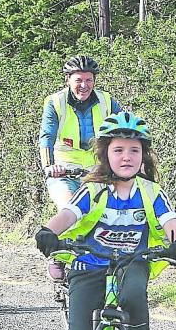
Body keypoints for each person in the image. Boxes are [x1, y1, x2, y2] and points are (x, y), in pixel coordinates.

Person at [34, 111, 176, 330]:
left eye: (134, 150)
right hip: (89, 264)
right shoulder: (94, 189)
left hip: (131, 262)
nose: (126, 157)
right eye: (118, 150)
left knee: (134, 293)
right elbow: (68, 214)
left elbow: (170, 222)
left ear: (144, 156)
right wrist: (49, 232)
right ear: (105, 154)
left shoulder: (150, 191)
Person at [39, 55, 122, 280]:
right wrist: (49, 166)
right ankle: (57, 256)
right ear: (68, 80)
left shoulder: (107, 101)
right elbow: (46, 137)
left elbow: (122, 133)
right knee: (71, 210)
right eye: (78, 80)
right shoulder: (55, 102)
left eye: (89, 80)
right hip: (64, 171)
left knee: (110, 214)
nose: (84, 85)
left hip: (97, 172)